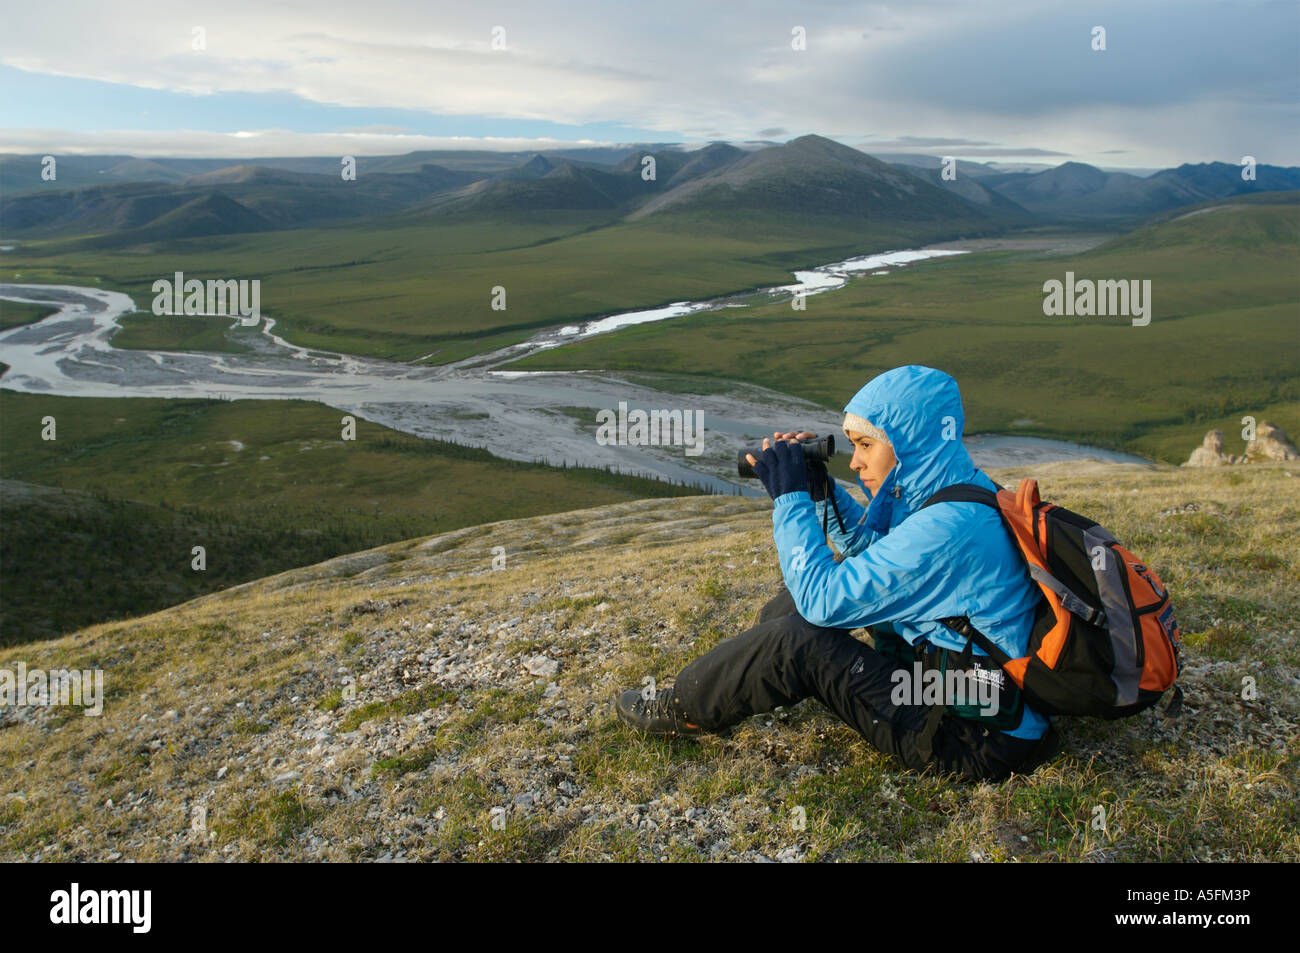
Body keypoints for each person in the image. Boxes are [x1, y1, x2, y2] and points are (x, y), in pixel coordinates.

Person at [614, 364, 1059, 781]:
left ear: (910, 442)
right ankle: (757, 679)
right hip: (978, 689)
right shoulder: (960, 492)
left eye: (866, 445)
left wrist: (790, 499)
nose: (854, 461)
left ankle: (681, 708)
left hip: (976, 733)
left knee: (800, 636)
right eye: (852, 446)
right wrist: (818, 489)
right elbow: (876, 555)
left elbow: (823, 601)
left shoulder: (950, 529)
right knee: (788, 610)